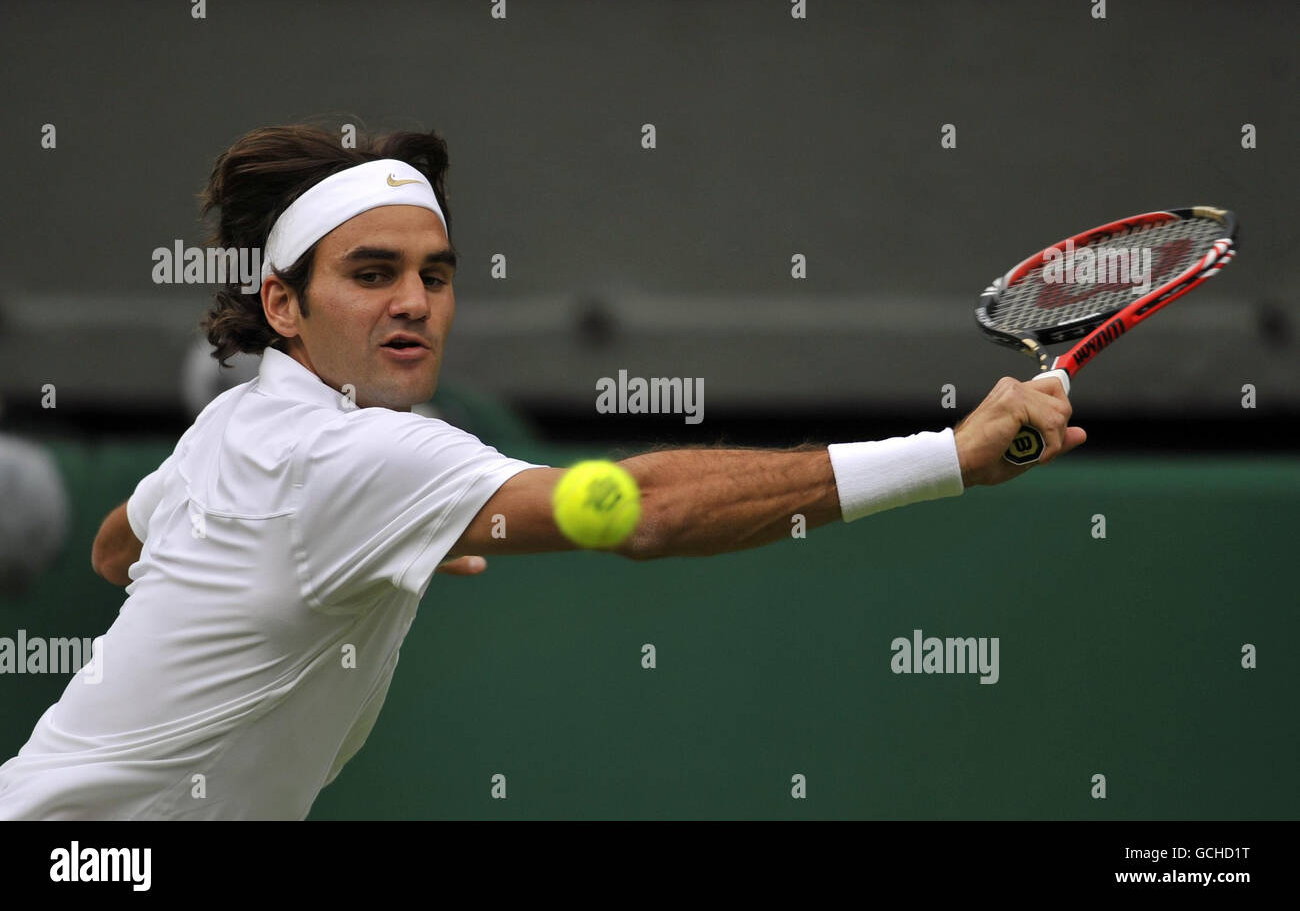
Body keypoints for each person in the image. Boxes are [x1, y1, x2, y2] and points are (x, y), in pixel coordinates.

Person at [0, 125, 1082, 820]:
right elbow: (646, 511)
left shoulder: (238, 427)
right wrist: (949, 456)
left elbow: (117, 548)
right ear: (283, 306)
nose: (414, 302)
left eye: (434, 274)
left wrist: (362, 553)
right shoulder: (361, 455)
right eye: (371, 275)